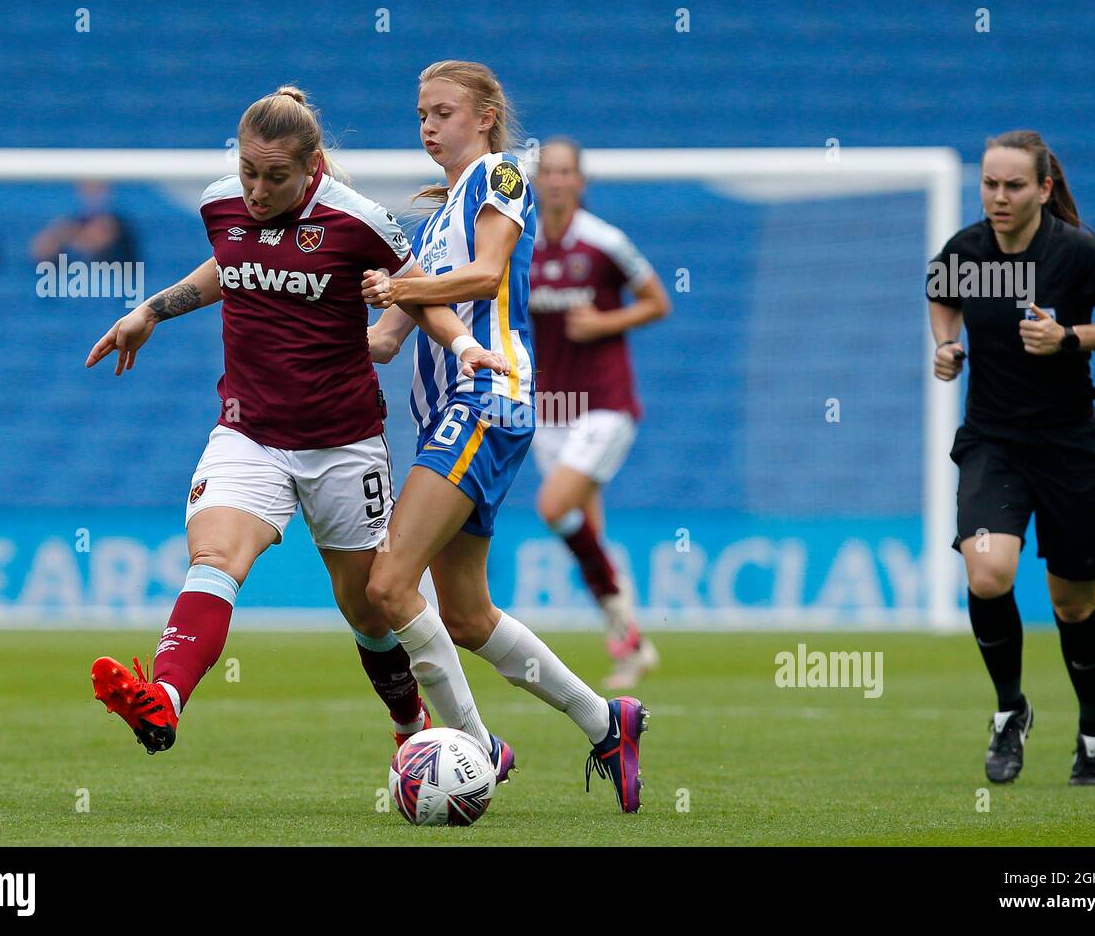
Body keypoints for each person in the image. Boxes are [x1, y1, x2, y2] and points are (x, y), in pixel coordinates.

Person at [84, 86, 508, 756]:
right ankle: (162, 701)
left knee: (368, 609)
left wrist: (463, 346)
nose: (255, 190)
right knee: (215, 557)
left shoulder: (359, 220)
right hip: (247, 431)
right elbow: (232, 264)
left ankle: (411, 729)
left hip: (343, 443)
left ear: (311, 168)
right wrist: (152, 311)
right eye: (248, 171)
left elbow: (417, 291)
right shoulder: (218, 203)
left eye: (275, 177)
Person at [364, 61, 648, 812]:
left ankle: (477, 751)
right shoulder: (431, 221)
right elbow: (386, 340)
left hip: (488, 394)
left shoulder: (502, 177)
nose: (428, 125)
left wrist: (400, 285)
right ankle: (607, 720)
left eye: (444, 111)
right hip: (453, 409)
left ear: (485, 116)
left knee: (391, 583)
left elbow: (487, 273)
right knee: (463, 614)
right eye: (420, 113)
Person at [927, 129, 1095, 786]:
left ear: (1044, 189)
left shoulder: (1078, 253)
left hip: (1069, 447)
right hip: (993, 441)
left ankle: (1093, 730)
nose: (999, 197)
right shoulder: (965, 250)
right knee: (988, 574)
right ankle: (1009, 712)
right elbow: (943, 299)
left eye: (1014, 186)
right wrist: (948, 345)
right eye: (990, 185)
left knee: (1073, 604)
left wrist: (1070, 337)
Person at [528, 136, 671, 689]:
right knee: (584, 528)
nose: (557, 180)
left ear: (581, 182)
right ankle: (629, 639)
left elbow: (659, 301)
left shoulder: (604, 242)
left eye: (567, 172)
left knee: (552, 506)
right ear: (538, 182)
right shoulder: (525, 247)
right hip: (551, 410)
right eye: (549, 171)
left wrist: (603, 324)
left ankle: (625, 628)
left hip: (604, 406)